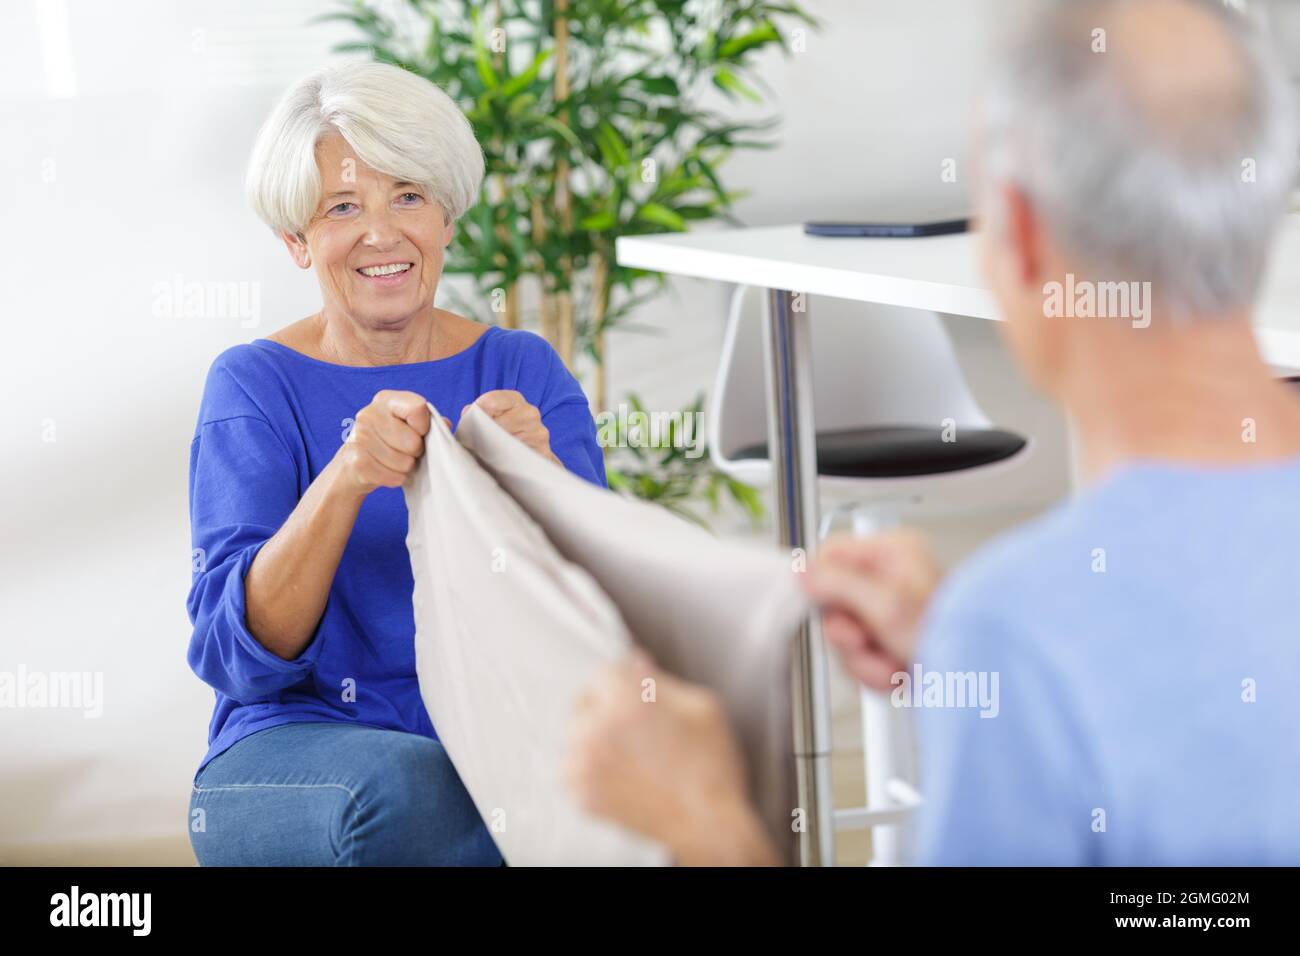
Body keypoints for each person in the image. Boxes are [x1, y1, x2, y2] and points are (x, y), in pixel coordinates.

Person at [566, 0, 1300, 865]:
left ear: (1019, 236)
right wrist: (974, 672)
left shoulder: (1027, 630)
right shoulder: (1016, 639)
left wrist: (708, 825)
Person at [186, 61, 603, 866]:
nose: (382, 233)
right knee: (422, 790)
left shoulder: (523, 370)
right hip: (294, 750)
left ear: (447, 218)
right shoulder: (252, 384)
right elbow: (237, 655)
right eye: (343, 207)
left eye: (408, 196)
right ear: (297, 241)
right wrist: (345, 477)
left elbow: (605, 626)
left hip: (490, 730)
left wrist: (543, 485)